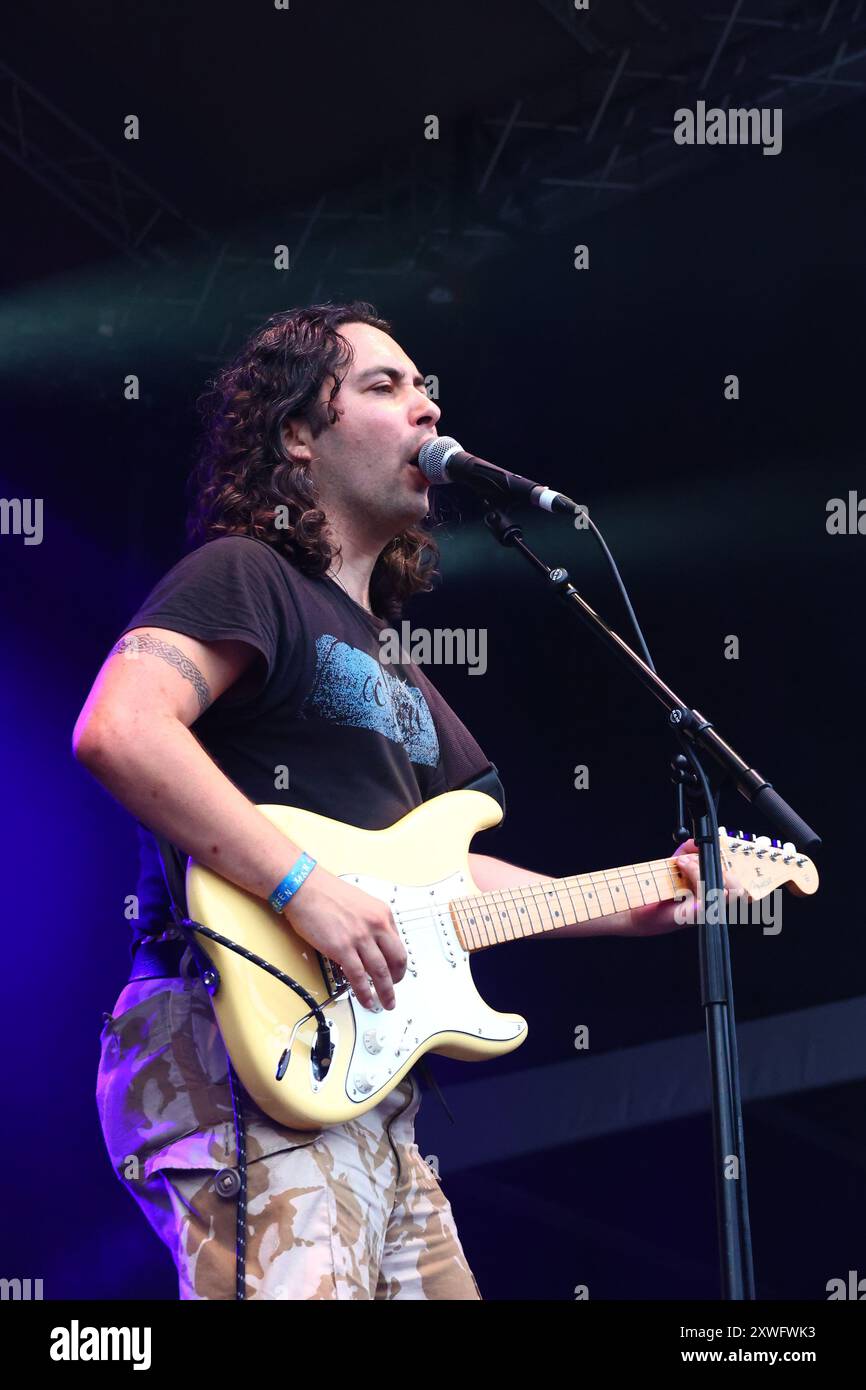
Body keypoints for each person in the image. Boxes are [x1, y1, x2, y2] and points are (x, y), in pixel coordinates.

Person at [73, 301, 732, 1301]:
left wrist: (635, 899)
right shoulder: (245, 577)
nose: (423, 406)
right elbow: (120, 728)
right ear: (297, 434)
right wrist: (302, 886)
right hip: (235, 1030)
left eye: (425, 387)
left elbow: (445, 871)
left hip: (363, 1084)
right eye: (384, 385)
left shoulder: (399, 669)